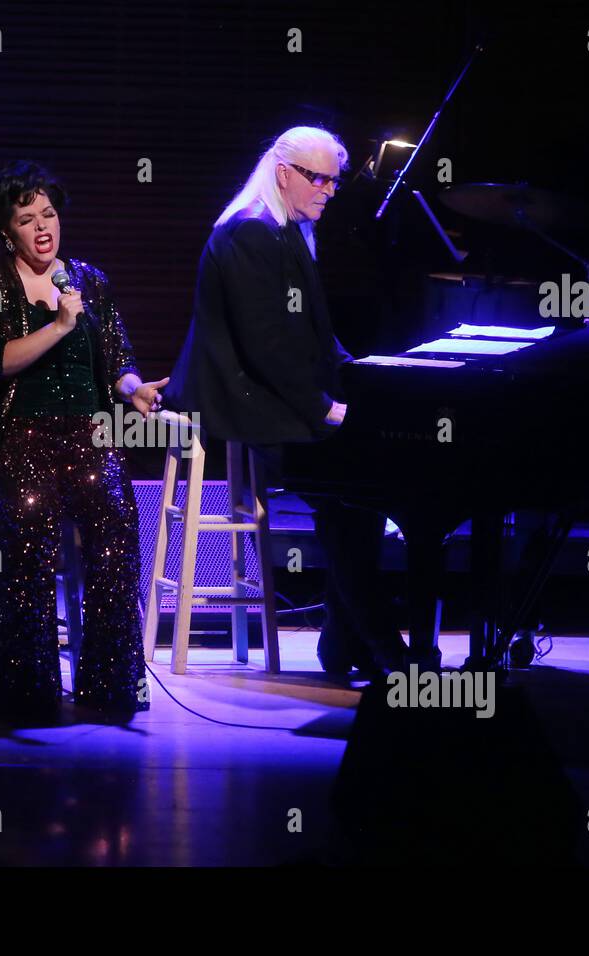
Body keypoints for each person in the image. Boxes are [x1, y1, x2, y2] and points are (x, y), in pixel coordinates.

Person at [166, 126, 411, 678]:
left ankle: (347, 645)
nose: (328, 189)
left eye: (334, 180)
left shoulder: (283, 229)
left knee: (358, 496)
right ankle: (384, 652)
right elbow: (267, 347)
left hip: (271, 393)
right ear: (284, 174)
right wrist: (323, 408)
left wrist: (367, 376)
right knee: (350, 493)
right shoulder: (252, 233)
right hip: (246, 403)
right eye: (318, 178)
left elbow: (313, 337)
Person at [0, 161, 168, 723]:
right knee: (31, 528)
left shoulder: (89, 280)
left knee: (117, 527)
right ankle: (26, 689)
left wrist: (134, 390)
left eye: (48, 214)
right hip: (18, 437)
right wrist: (60, 326)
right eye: (27, 219)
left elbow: (116, 357)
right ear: (7, 231)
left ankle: (110, 685)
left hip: (91, 437)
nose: (43, 227)